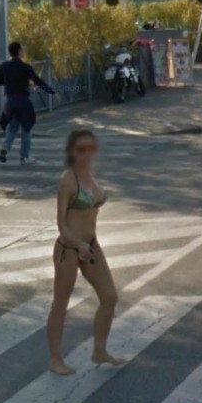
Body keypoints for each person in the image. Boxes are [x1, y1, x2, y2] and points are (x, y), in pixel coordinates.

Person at [47, 130, 125, 376]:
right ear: (71, 152)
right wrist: (78, 245)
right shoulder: (68, 180)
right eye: (81, 149)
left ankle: (99, 350)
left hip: (91, 245)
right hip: (69, 248)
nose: (87, 154)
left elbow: (93, 206)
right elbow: (61, 225)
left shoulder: (91, 177)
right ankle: (55, 359)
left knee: (110, 297)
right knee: (61, 304)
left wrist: (86, 245)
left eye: (91, 148)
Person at [0, 42, 57, 165]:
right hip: (23, 102)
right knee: (26, 128)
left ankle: (5, 148)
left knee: (13, 127)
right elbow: (38, 81)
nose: (23, 51)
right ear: (19, 51)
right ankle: (25, 157)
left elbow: (0, 82)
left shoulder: (4, 66)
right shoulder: (26, 67)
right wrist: (52, 92)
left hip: (10, 102)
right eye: (22, 49)